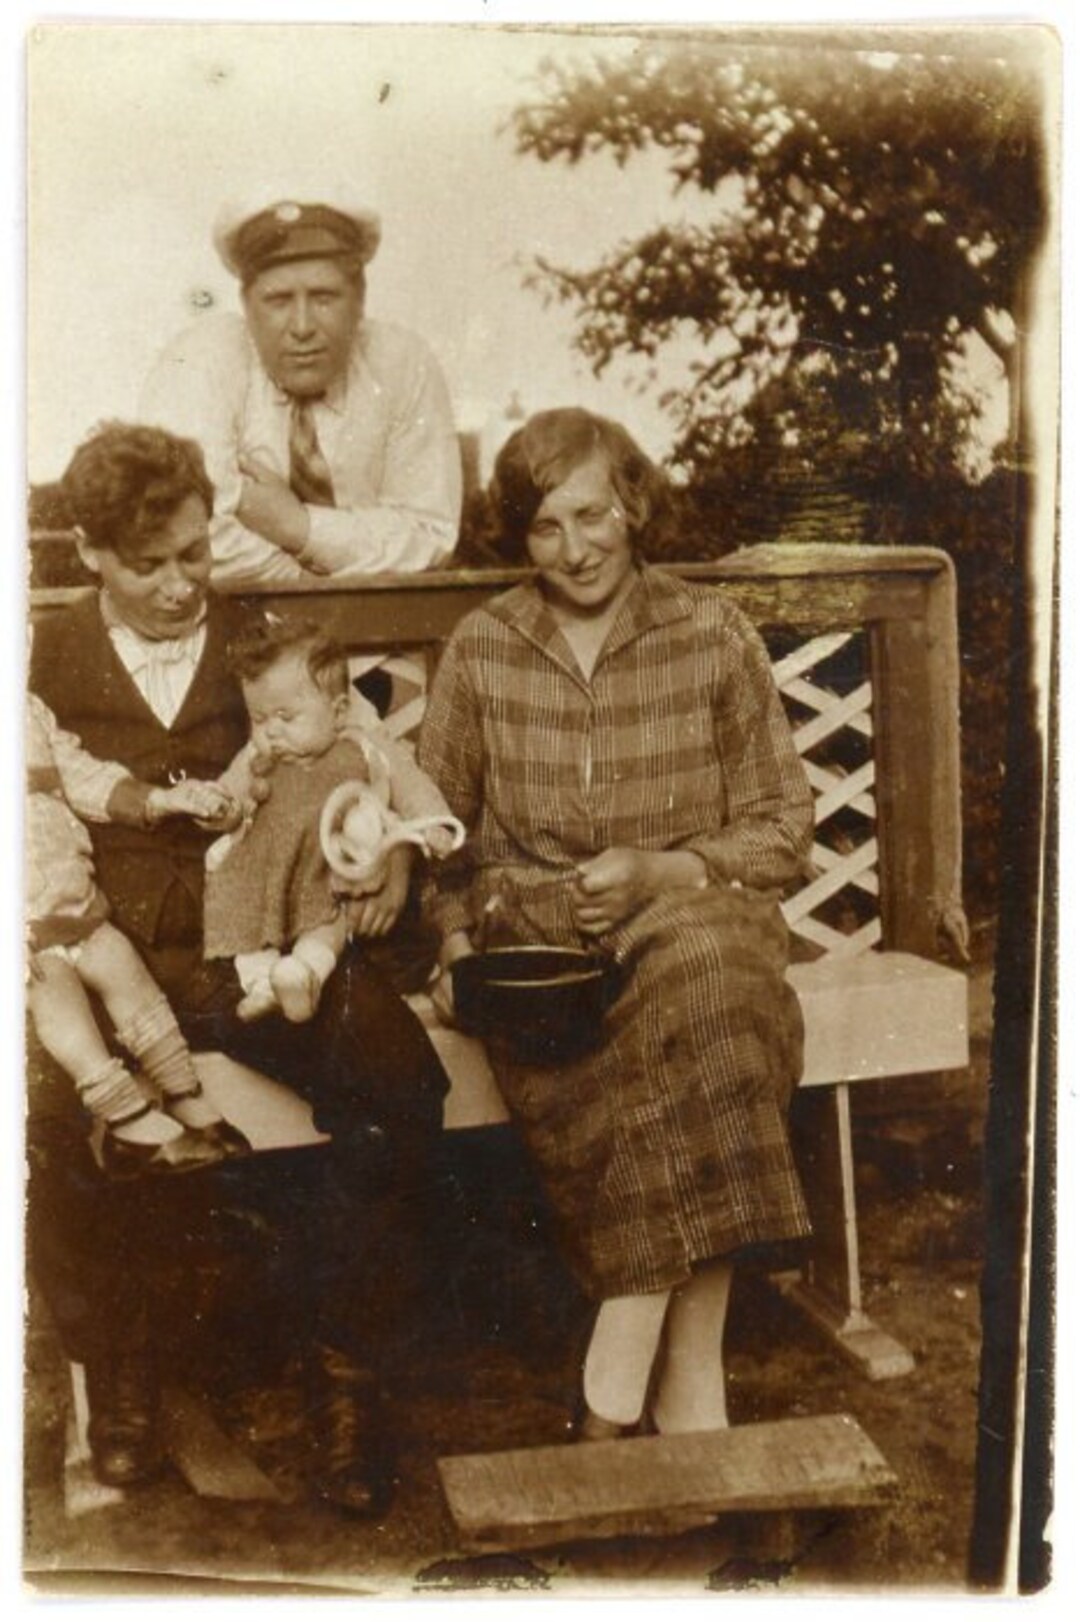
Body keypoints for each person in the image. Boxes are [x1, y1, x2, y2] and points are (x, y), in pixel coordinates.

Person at [29, 421, 451, 1515]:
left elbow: (371, 754)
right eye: (149, 564)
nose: (182, 585)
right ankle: (121, 1366)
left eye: (195, 553)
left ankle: (347, 1371)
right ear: (91, 552)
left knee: (400, 1077)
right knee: (50, 1106)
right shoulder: (41, 653)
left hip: (262, 936)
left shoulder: (260, 641)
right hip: (116, 947)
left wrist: (394, 854)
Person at [417, 407, 815, 1441]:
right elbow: (433, 836)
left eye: (592, 515)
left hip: (688, 917)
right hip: (546, 966)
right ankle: (685, 1381)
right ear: (521, 535)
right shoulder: (484, 646)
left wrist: (664, 870)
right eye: (545, 526)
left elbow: (783, 827)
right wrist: (456, 947)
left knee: (710, 971)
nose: (575, 548)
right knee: (710, 1014)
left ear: (633, 504)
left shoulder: (710, 632)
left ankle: (627, 1367)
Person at [138, 182, 462, 590]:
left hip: (379, 625)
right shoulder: (200, 359)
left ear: (360, 300)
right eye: (279, 301)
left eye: (324, 297)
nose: (303, 326)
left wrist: (299, 527)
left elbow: (431, 537)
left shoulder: (401, 363)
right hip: (232, 620)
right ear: (246, 305)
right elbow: (190, 533)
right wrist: (308, 586)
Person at [26, 692, 251, 1176]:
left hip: (73, 900)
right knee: (55, 993)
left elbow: (84, 775)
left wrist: (159, 799)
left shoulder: (26, 709)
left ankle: (182, 1090)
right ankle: (128, 1120)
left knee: (121, 963)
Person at [202, 615, 463, 1024]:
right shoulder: (257, 759)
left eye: (286, 717)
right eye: (259, 719)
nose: (271, 733)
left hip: (330, 871)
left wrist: (431, 825)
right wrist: (218, 808)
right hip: (271, 870)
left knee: (330, 918)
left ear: (338, 711)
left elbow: (411, 784)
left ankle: (305, 973)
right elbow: (230, 796)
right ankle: (262, 985)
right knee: (242, 911)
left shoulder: (364, 746)